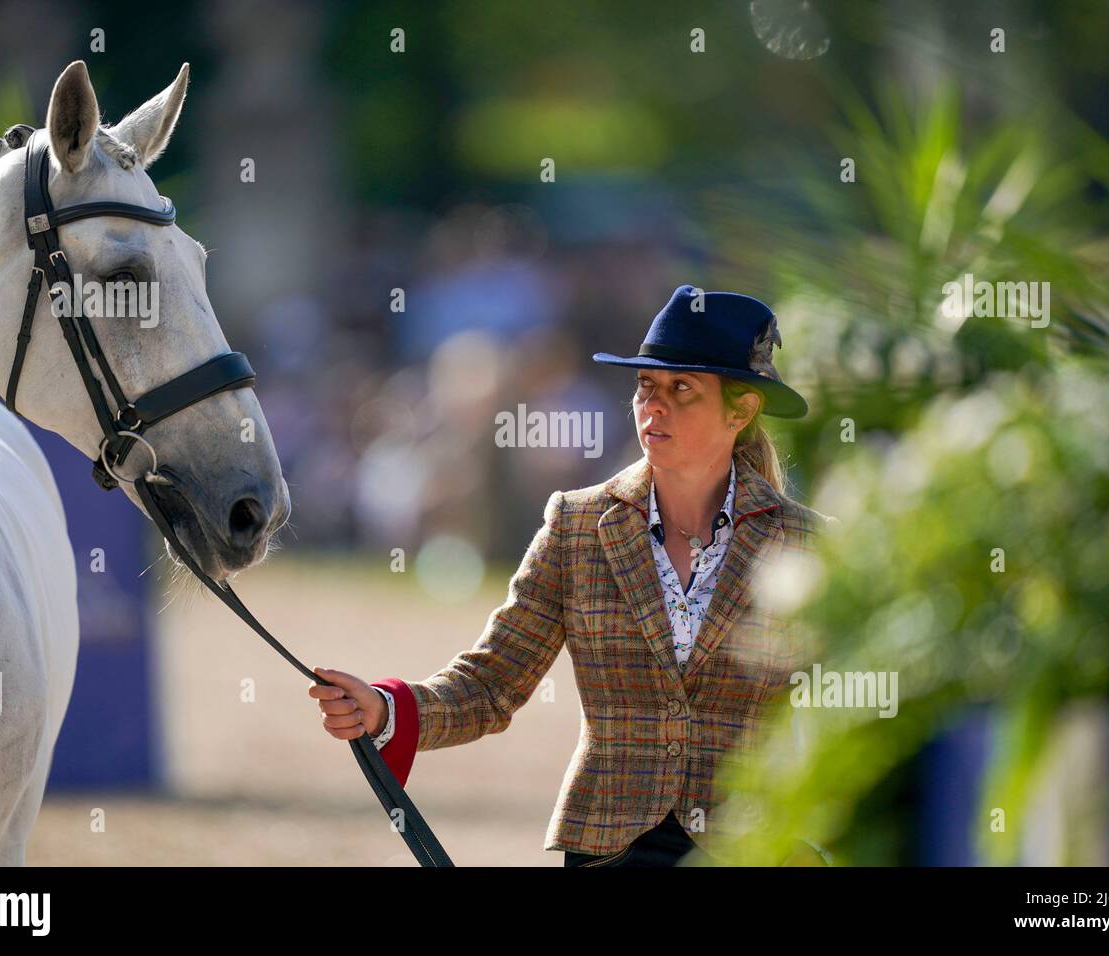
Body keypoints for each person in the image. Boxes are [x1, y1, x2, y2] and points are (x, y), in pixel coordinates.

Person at [309, 284, 836, 866]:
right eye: (645, 387)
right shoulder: (577, 525)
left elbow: (848, 709)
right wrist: (388, 709)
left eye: (681, 389)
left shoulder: (808, 542)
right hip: (608, 848)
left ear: (741, 409)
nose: (652, 406)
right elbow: (492, 683)